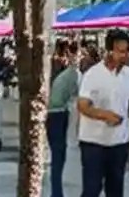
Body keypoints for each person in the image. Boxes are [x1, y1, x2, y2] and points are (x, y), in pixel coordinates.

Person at [77, 30, 129, 197]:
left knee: (116, 189)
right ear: (109, 51)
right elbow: (82, 105)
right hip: (94, 142)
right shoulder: (93, 75)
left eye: (127, 51)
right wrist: (104, 115)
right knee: (92, 189)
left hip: (119, 142)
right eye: (121, 51)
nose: (125, 55)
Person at [47, 41, 80, 197]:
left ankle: (56, 192)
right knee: (59, 155)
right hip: (57, 114)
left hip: (53, 113)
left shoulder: (57, 70)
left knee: (58, 155)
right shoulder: (72, 73)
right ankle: (56, 193)